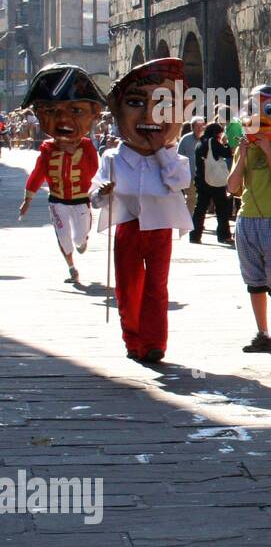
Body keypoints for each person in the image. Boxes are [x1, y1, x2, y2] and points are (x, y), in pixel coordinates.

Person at [89, 58, 193, 363]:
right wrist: (102, 193)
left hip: (159, 228)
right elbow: (94, 196)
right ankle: (133, 339)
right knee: (128, 286)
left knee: (157, 287)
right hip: (128, 226)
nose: (149, 115)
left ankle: (154, 343)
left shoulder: (174, 157)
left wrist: (161, 149)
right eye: (136, 102)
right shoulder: (112, 157)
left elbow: (179, 182)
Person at [18, 64, 105, 285]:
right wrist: (27, 199)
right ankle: (71, 268)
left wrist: (74, 152)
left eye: (75, 111)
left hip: (79, 201)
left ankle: (83, 239)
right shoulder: (47, 148)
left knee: (79, 238)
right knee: (64, 237)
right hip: (57, 201)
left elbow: (94, 171)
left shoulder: (86, 146)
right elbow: (38, 173)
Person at [227, 86, 271, 354]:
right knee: (254, 278)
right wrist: (242, 155)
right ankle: (263, 333)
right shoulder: (242, 150)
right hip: (248, 221)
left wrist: (268, 151)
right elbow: (232, 187)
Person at [191, 122, 233, 244]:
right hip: (214, 182)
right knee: (221, 209)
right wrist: (225, 143)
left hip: (201, 180)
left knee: (200, 209)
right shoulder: (213, 142)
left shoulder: (200, 143)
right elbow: (227, 153)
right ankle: (224, 235)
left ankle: (194, 235)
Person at [177, 115, 204, 216]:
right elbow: (178, 156)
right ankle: (189, 219)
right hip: (188, 174)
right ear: (192, 127)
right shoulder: (185, 139)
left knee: (200, 199)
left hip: (203, 175)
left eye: (201, 126)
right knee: (191, 198)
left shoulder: (205, 139)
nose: (199, 129)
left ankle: (196, 219)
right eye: (197, 127)